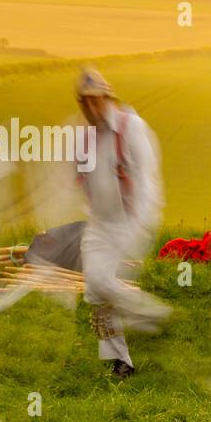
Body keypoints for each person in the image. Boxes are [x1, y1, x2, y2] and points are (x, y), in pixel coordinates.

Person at [73, 68, 170, 377]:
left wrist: (138, 230)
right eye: (83, 104)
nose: (90, 110)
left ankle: (148, 313)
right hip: (99, 223)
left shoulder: (131, 128)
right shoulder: (84, 137)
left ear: (108, 98)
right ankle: (123, 360)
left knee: (104, 283)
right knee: (96, 291)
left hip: (131, 221)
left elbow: (146, 183)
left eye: (95, 102)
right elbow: (81, 181)